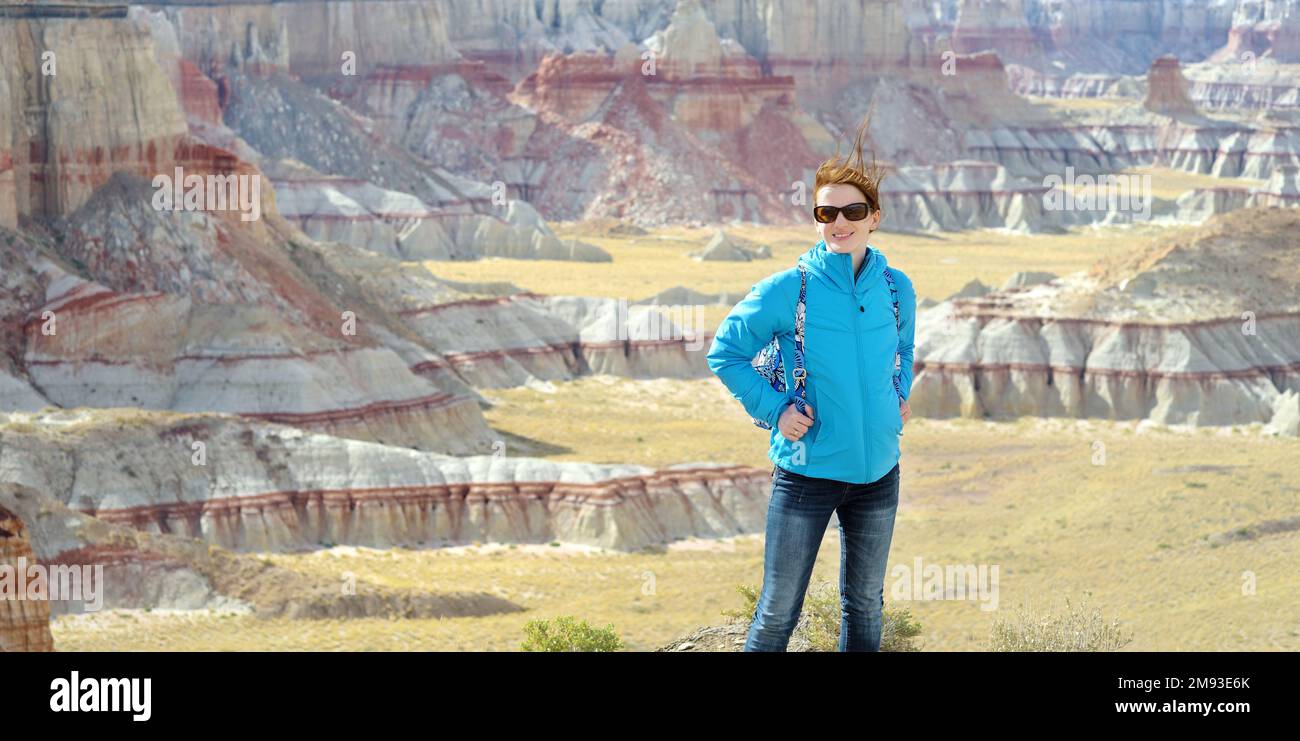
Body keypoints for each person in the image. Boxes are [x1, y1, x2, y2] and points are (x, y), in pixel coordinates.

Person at [705, 115, 916, 651]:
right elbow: (725, 352)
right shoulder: (789, 287)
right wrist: (775, 409)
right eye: (827, 212)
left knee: (866, 606)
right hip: (806, 474)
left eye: (852, 211)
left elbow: (904, 350)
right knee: (777, 612)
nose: (839, 222)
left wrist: (900, 396)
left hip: (878, 474)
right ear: (816, 219)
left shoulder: (897, 287)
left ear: (875, 218)